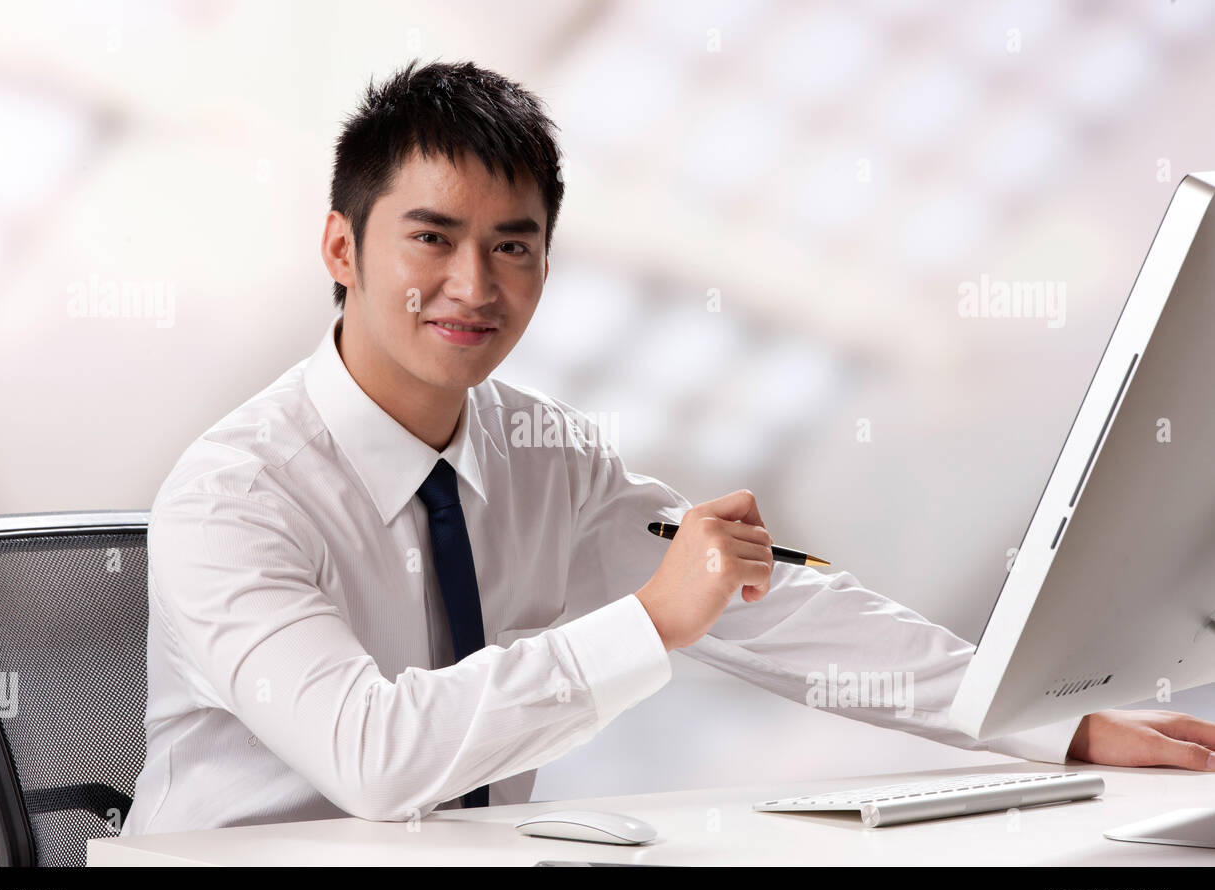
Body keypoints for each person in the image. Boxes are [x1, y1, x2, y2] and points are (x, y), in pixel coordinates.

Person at [122, 58, 1215, 836]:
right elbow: (372, 756)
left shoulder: (543, 454)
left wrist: (1047, 723)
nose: (474, 285)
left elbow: (782, 607)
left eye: (514, 247)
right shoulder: (233, 495)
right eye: (432, 238)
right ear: (340, 246)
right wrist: (649, 618)